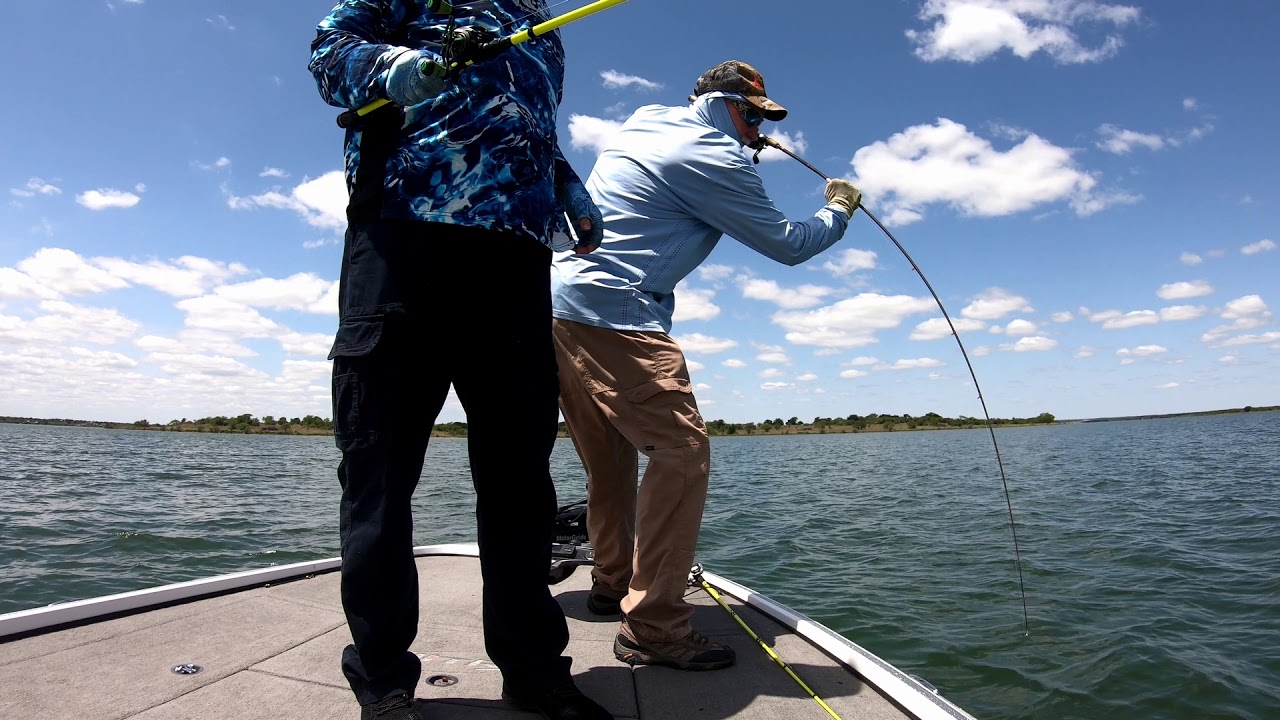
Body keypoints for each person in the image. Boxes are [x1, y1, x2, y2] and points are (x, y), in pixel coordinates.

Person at [308, 2, 610, 719]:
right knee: (380, 476)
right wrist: (394, 66)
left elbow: (526, 120)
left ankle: (534, 670)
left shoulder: (542, 27)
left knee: (520, 481)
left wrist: (564, 179)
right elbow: (329, 53)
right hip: (401, 238)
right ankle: (382, 678)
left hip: (515, 260)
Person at [550, 60, 862, 671]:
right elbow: (790, 245)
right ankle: (655, 628)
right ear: (727, 107)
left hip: (557, 305)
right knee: (682, 453)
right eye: (754, 117)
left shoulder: (646, 120)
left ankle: (612, 584)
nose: (757, 133)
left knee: (609, 462)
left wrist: (744, 152)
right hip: (618, 313)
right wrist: (839, 211)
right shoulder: (715, 158)